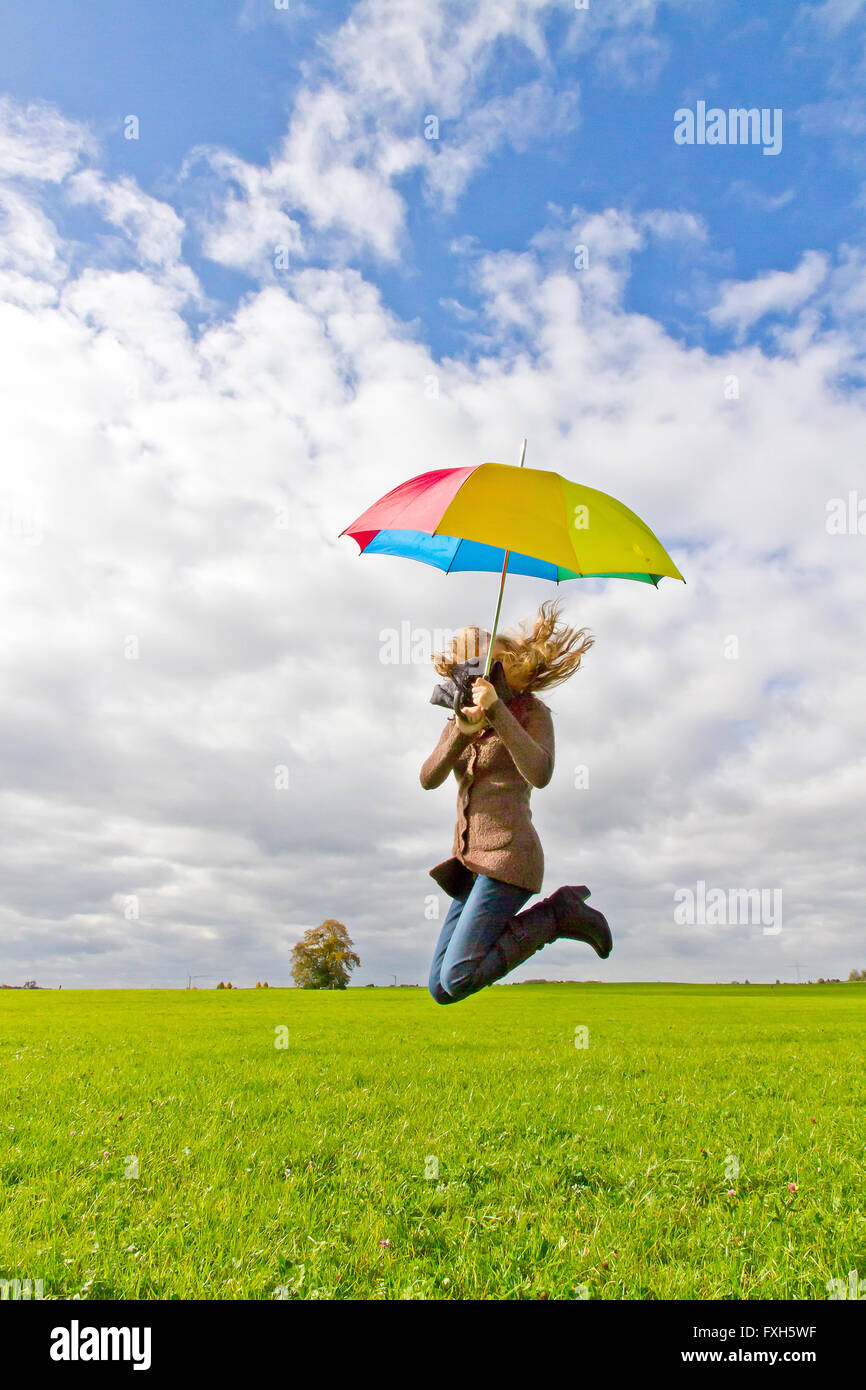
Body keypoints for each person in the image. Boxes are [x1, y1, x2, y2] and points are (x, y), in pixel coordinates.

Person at [420, 598, 612, 1005]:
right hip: (470, 864)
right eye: (459, 666)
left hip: (510, 859)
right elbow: (428, 778)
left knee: (458, 976)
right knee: (441, 989)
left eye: (471, 662)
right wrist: (462, 730)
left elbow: (540, 773)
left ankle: (558, 915)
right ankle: (557, 915)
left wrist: (499, 713)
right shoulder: (461, 715)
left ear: (494, 662)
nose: (464, 673)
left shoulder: (530, 712)